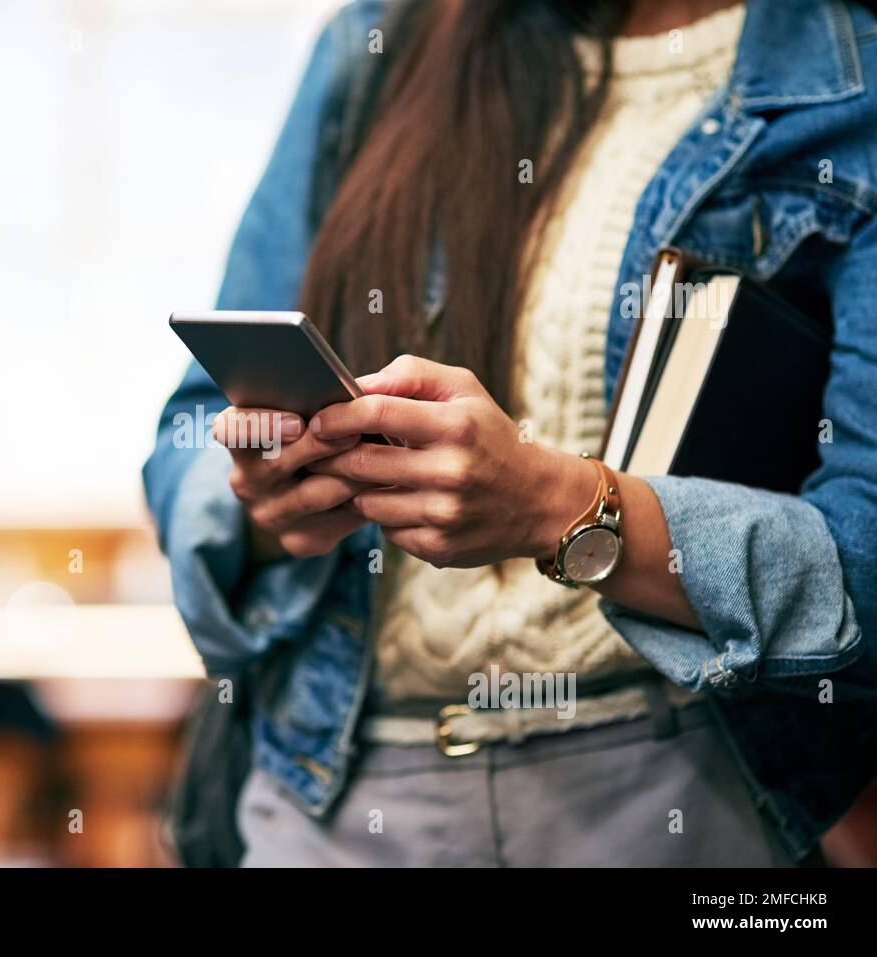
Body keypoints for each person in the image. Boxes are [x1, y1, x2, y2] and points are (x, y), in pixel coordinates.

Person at [144, 0, 877, 866]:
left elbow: (860, 566)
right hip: (338, 799)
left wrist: (561, 506)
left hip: (663, 793)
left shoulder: (850, 85)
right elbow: (193, 427)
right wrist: (269, 514)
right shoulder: (373, 47)